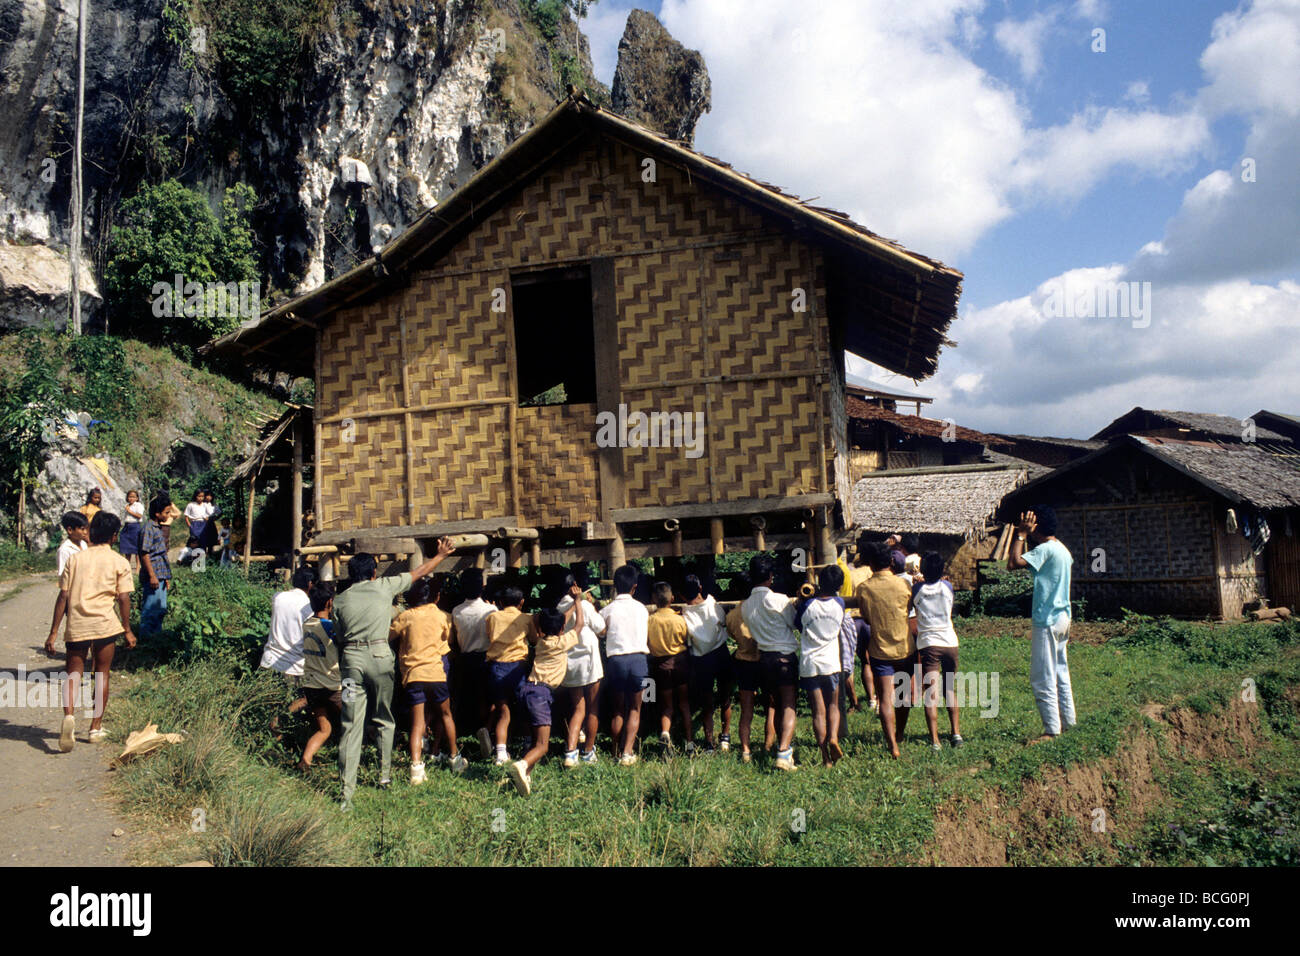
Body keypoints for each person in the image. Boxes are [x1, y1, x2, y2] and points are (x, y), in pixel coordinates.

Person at [333, 537, 455, 809]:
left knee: (350, 725)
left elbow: (339, 636)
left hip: (352, 663)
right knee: (384, 718)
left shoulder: (339, 600)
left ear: (351, 575)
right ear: (374, 573)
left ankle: (346, 793)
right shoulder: (383, 586)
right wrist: (441, 555)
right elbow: (419, 572)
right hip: (379, 660)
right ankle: (384, 776)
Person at [44, 512, 135, 751]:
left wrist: (54, 632)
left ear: (91, 531)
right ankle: (95, 727)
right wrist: (127, 630)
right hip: (104, 624)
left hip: (77, 624)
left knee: (73, 673)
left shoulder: (75, 560)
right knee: (102, 674)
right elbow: (123, 598)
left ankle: (69, 716)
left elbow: (63, 595)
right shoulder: (119, 562)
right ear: (114, 536)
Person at [506, 590, 584, 797]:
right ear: (561, 629)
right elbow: (579, 626)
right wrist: (579, 602)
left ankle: (524, 775)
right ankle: (522, 765)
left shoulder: (540, 641)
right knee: (543, 746)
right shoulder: (561, 643)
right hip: (541, 695)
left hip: (527, 691)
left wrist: (570, 607)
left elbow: (559, 622)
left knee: (534, 740)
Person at [1008, 507, 1076, 743]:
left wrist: (1021, 535)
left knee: (1043, 676)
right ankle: (1069, 723)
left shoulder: (1045, 549)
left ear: (1036, 527)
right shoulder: (1062, 549)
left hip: (1047, 620)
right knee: (1060, 672)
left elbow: (1013, 563)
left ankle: (1051, 730)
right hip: (1063, 617)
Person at [392, 575, 467, 784]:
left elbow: (389, 635)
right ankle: (454, 757)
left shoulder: (406, 616)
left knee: (417, 723)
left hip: (414, 674)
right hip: (436, 673)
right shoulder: (443, 616)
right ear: (436, 597)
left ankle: (416, 767)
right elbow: (450, 640)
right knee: (446, 714)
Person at [741, 555, 800, 771]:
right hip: (784, 656)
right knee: (788, 705)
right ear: (770, 577)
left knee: (774, 703)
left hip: (764, 659)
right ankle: (784, 752)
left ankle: (780, 748)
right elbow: (794, 623)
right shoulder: (779, 599)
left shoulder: (746, 606)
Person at [858, 541, 916, 759]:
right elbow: (909, 609)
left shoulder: (863, 588)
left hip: (879, 650)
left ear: (870, 564)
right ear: (891, 561)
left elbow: (865, 616)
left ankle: (892, 744)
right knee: (904, 697)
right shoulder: (904, 585)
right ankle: (900, 733)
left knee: (885, 699)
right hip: (904, 647)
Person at [600, 563, 651, 766]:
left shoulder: (607, 610)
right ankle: (628, 752)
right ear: (634, 587)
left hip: (616, 661)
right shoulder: (642, 609)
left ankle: (614, 750)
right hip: (638, 660)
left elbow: (600, 631)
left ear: (614, 586)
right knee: (635, 709)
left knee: (618, 709)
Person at [796, 564, 845, 767]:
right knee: (833, 704)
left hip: (809, 663)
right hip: (831, 662)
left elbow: (798, 625)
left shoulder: (807, 606)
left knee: (818, 711)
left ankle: (825, 757)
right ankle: (833, 736)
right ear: (839, 585)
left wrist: (802, 599)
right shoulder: (840, 603)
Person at [912, 551, 962, 750]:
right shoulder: (948, 586)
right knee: (949, 689)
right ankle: (956, 733)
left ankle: (935, 741)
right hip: (950, 641)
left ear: (923, 570)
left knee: (931, 693)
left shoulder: (916, 589)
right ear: (942, 570)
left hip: (929, 644)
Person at [260, 565, 316, 738]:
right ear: (310, 584)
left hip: (270, 660)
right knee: (307, 699)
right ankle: (282, 726)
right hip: (293, 665)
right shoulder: (309, 606)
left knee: (272, 701)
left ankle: (271, 734)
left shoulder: (278, 597)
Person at [557, 573, 605, 767]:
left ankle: (570, 752)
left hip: (570, 663)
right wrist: (591, 605)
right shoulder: (584, 605)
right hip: (590, 662)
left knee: (577, 710)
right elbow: (602, 629)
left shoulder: (559, 607)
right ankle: (588, 751)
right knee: (593, 708)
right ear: (576, 586)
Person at [484, 584, 534, 766]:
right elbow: (534, 639)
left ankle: (501, 753)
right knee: (523, 707)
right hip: (517, 668)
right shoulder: (526, 618)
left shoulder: (492, 617)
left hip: (496, 667)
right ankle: (528, 743)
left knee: (503, 711)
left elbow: (489, 636)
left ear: (500, 602)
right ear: (522, 602)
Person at [682, 574, 732, 753]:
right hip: (721, 653)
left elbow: (686, 641)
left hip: (701, 659)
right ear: (700, 588)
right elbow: (724, 622)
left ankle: (709, 743)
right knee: (725, 697)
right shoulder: (712, 604)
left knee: (707, 702)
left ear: (681, 596)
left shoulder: (684, 614)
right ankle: (725, 737)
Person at [450, 568, 496, 759]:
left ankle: (461, 734)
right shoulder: (491, 610)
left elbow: (454, 639)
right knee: (489, 698)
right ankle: (486, 729)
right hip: (486, 657)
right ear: (482, 587)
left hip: (465, 658)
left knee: (469, 697)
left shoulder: (456, 611)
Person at [727, 590, 774, 763]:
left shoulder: (732, 615)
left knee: (746, 710)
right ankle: (768, 745)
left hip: (743, 661)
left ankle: (745, 750)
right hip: (763, 658)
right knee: (771, 705)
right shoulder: (761, 609)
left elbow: (732, 635)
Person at [299, 583, 342, 771]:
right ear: (330, 602)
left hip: (311, 686)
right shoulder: (330, 627)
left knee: (325, 729)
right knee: (354, 719)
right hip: (334, 686)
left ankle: (305, 760)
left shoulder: (306, 624)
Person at [647, 582, 693, 753]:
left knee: (667, 705)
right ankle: (689, 742)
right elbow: (685, 638)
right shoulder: (679, 619)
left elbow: (648, 642)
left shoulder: (650, 620)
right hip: (680, 663)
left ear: (653, 599)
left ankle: (665, 732)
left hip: (660, 665)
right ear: (672, 598)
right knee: (684, 703)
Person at [138, 495, 174, 635]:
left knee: (160, 608)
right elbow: (144, 553)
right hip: (153, 576)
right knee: (150, 609)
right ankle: (146, 639)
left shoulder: (158, 528)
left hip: (161, 575)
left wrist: (164, 577)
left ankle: (156, 638)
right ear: (157, 514)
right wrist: (152, 575)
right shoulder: (148, 528)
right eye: (166, 512)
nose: (169, 515)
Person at [56, 512, 89, 577]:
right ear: (70, 530)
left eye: (86, 529)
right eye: (82, 529)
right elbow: (63, 575)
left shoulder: (83, 544)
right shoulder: (65, 550)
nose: (85, 532)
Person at [119, 490, 145, 572]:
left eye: (133, 497)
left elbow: (139, 515)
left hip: (135, 526)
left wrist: (129, 511)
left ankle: (138, 567)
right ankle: (127, 565)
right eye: (130, 497)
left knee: (136, 547)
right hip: (127, 526)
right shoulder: (127, 505)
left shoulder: (138, 505)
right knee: (127, 547)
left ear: (137, 498)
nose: (131, 498)